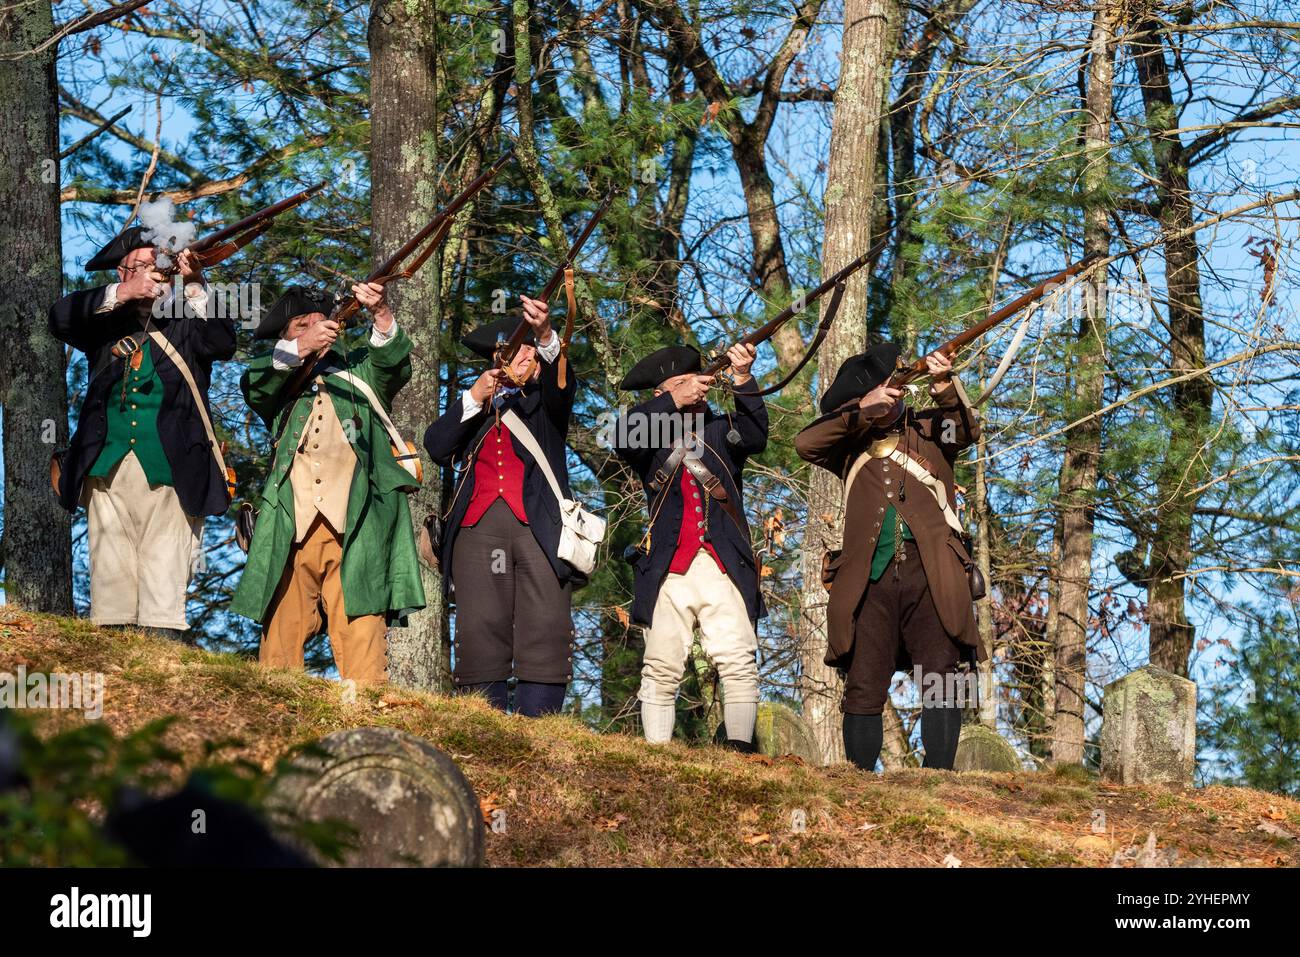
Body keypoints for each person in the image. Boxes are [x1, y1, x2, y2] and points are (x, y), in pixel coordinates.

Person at [794, 343, 982, 771]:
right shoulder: (847, 444)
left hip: (933, 572)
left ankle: (940, 778)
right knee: (863, 683)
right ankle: (859, 783)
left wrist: (942, 385)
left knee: (941, 677)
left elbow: (965, 432)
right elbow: (805, 442)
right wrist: (863, 410)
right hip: (867, 581)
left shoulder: (932, 427)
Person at [229, 284, 425, 684]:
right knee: (280, 643)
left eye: (321, 322)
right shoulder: (279, 381)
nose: (317, 329)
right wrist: (301, 347)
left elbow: (392, 364)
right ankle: (277, 724)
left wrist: (382, 313)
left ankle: (367, 722)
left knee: (362, 631)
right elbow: (255, 381)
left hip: (358, 523)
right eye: (302, 325)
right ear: (287, 336)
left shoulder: (360, 371)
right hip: (291, 524)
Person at [48, 226, 235, 638]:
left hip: (174, 467)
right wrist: (126, 295)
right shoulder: (102, 322)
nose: (155, 274)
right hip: (105, 467)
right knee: (110, 592)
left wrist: (196, 282)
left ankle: (162, 672)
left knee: (163, 594)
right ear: (122, 272)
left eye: (161, 267)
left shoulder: (185, 323)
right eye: (144, 266)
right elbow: (58, 317)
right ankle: (116, 677)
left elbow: (223, 342)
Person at [422, 298, 577, 716]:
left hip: (538, 529)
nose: (524, 355)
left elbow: (563, 388)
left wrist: (546, 335)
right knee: (481, 625)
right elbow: (436, 447)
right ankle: (483, 723)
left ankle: (539, 726)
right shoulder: (477, 405)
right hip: (478, 530)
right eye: (515, 349)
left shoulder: (547, 404)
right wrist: (474, 397)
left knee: (545, 623)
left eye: (529, 349)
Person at [614, 343, 767, 749]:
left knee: (737, 661)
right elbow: (622, 438)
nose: (688, 391)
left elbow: (754, 435)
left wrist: (743, 377)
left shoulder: (720, 429)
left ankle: (740, 754)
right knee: (662, 667)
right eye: (674, 386)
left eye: (690, 383)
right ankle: (658, 757)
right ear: (659, 396)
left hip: (722, 563)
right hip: (668, 566)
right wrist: (672, 398)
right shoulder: (648, 435)